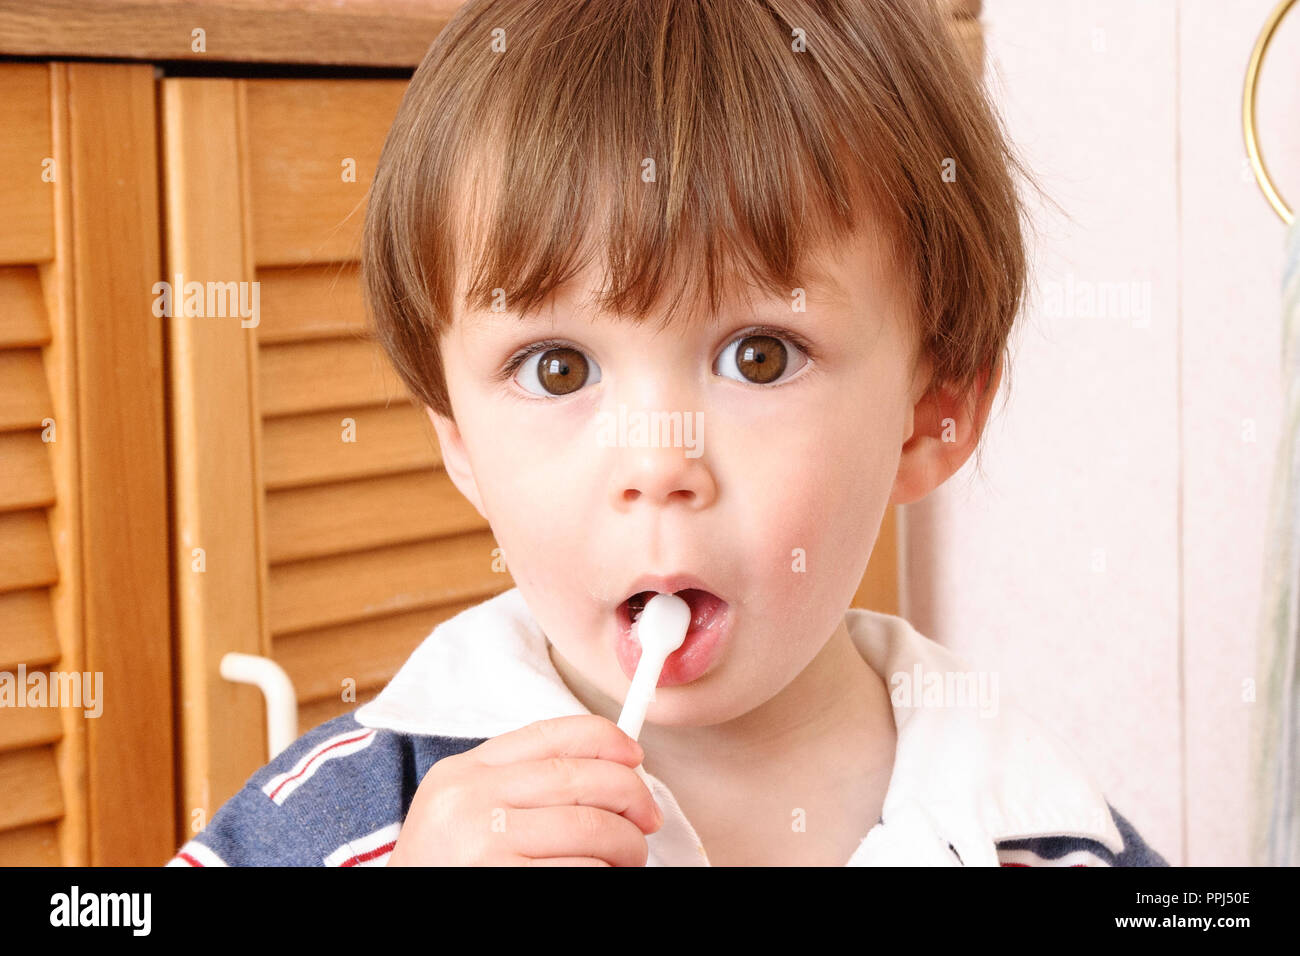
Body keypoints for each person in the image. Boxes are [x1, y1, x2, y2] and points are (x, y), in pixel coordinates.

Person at [169, 0, 1168, 867]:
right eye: (557, 367)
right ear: (458, 438)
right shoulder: (349, 813)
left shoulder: (1043, 828)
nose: (657, 461)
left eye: (760, 357)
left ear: (930, 416)